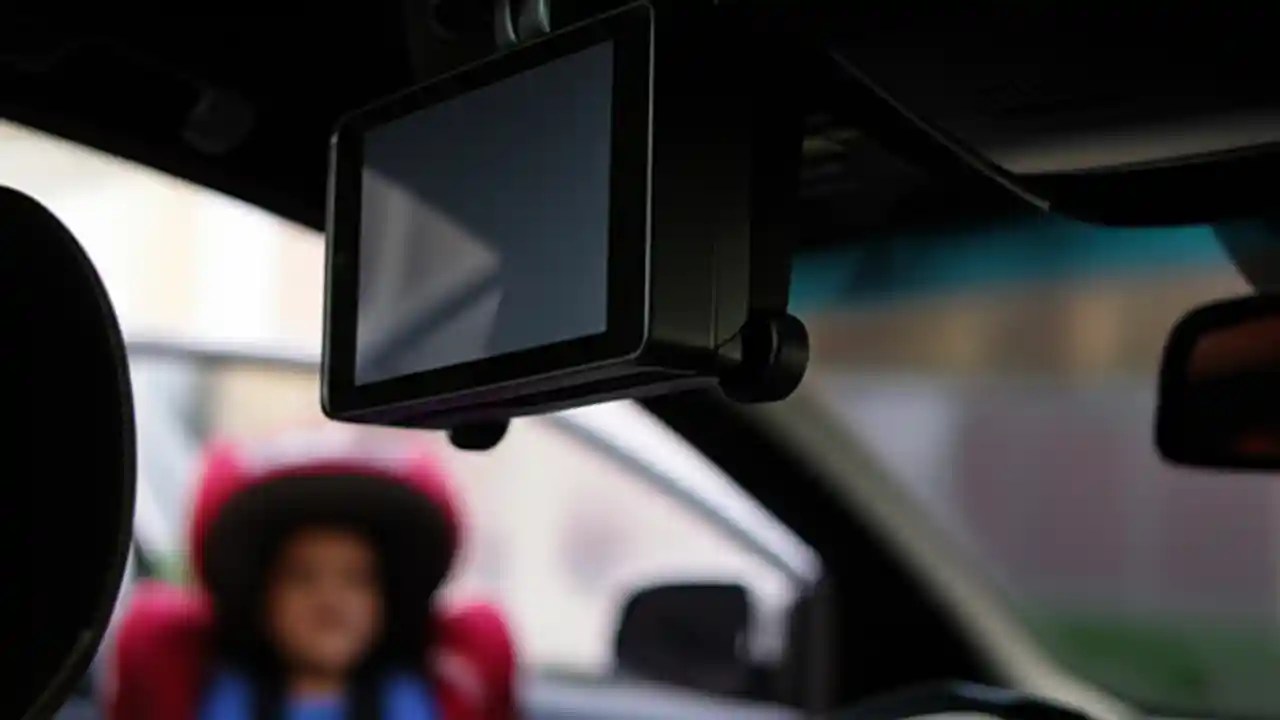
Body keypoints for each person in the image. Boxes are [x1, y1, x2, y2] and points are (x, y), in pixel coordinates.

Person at [108, 429, 515, 720]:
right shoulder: (215, 689)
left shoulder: (426, 692)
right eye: (301, 577)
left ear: (388, 598)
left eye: (357, 579)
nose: (330, 598)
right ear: (260, 596)